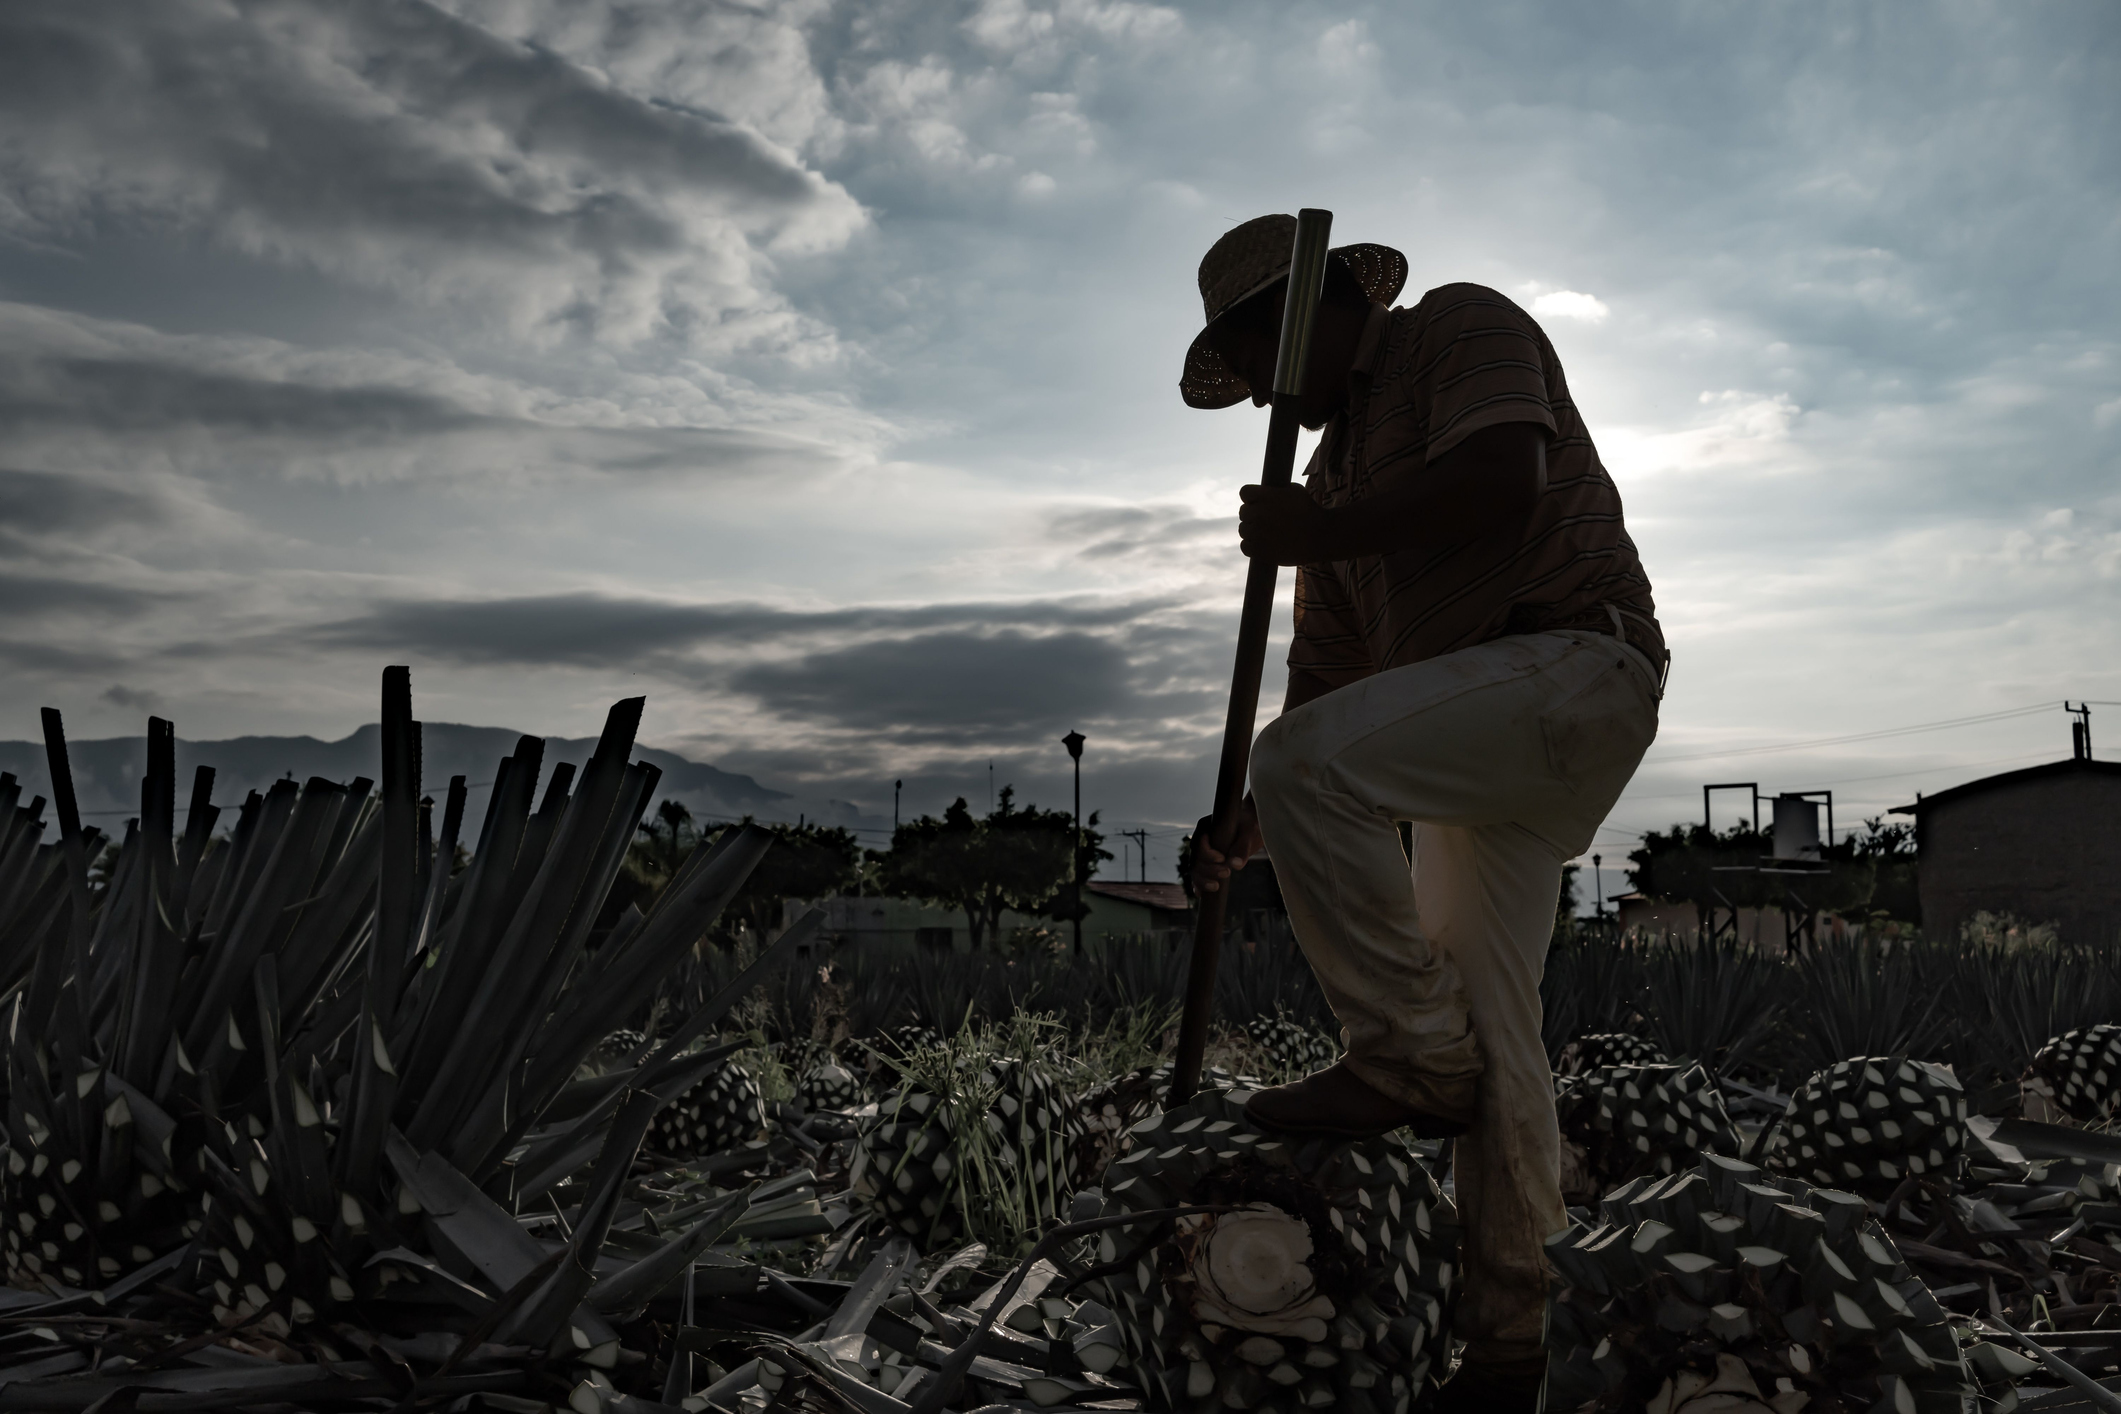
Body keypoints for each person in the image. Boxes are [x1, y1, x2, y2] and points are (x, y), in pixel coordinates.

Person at [1183, 213, 1665, 1414]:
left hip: (1572, 666)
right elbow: (1331, 693)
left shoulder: (1458, 323)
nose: (1262, 401)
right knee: (1500, 1044)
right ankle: (1515, 1353)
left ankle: (1404, 1056)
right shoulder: (1331, 480)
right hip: (1480, 739)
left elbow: (1508, 475)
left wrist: (1321, 532)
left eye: (1256, 367)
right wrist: (1243, 822)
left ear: (1303, 314)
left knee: (1314, 774)